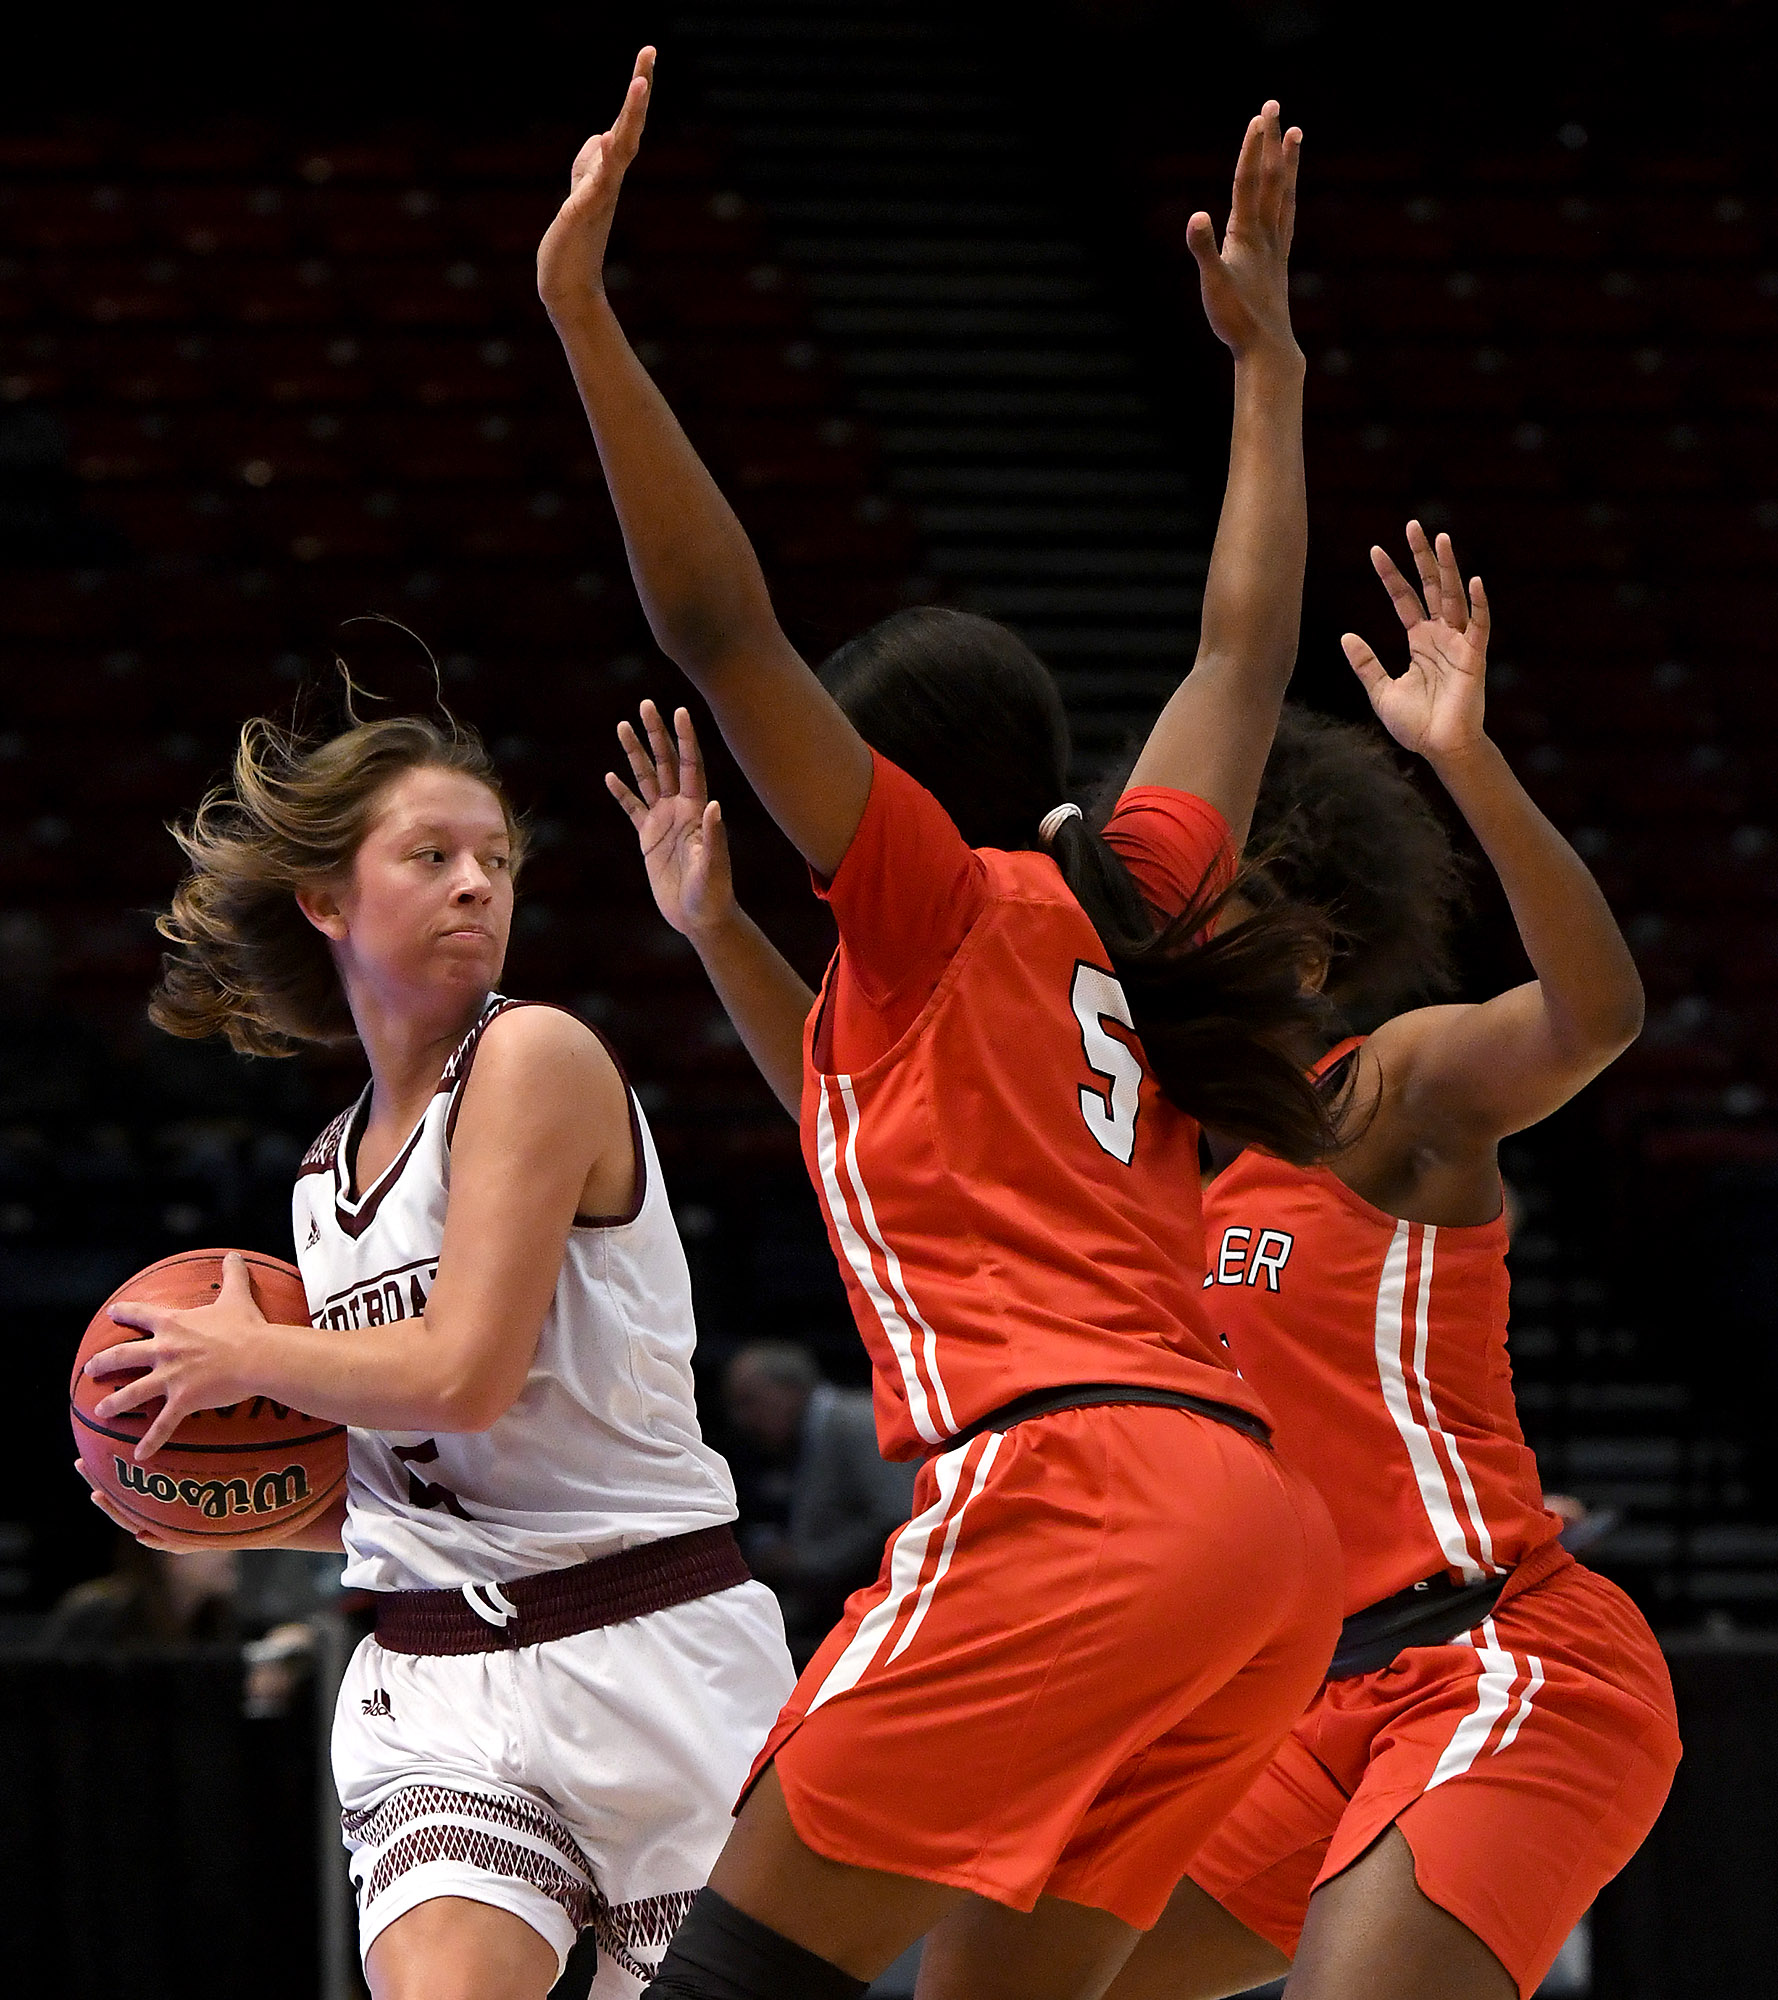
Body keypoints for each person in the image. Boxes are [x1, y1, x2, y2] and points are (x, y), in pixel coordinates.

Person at [543, 50, 1343, 2000]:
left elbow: (719, 631)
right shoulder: (1126, 907)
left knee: (729, 1976)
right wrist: (1268, 369)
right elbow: (1241, 647)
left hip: (1064, 1496)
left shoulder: (926, 893)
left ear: (884, 787)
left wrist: (578, 307)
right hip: (1251, 1537)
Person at [80, 709, 794, 2000]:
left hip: (656, 1651)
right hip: (440, 1681)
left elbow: (464, 1372)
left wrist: (249, 1357)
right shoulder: (318, 1184)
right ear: (324, 898)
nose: (476, 882)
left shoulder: (534, 1058)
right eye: (430, 856)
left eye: (496, 860)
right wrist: (217, 1506)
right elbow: (426, 1469)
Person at [1098, 527, 1681, 2000]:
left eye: (1185, 919)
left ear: (1297, 952)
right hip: (1297, 1706)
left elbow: (1593, 1014)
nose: (1142, 946)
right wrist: (718, 921)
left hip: (1494, 1660)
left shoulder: (1384, 1098)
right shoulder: (1144, 1159)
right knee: (1022, 1975)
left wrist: (1466, 762)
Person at [723, 1340, 919, 1662]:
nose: (742, 1419)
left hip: (883, 1615)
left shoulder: (856, 1423)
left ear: (791, 1389)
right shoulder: (808, 1432)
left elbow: (901, 1518)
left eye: (749, 1402)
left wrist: (806, 1560)